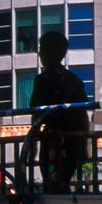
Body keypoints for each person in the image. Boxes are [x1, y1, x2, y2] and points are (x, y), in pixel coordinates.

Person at [29, 31, 89, 194]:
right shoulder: (74, 79)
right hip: (72, 141)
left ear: (47, 53)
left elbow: (36, 114)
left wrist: (32, 144)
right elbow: (83, 114)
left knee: (50, 182)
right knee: (65, 178)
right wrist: (84, 145)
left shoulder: (42, 80)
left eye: (41, 49)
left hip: (51, 140)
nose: (39, 53)